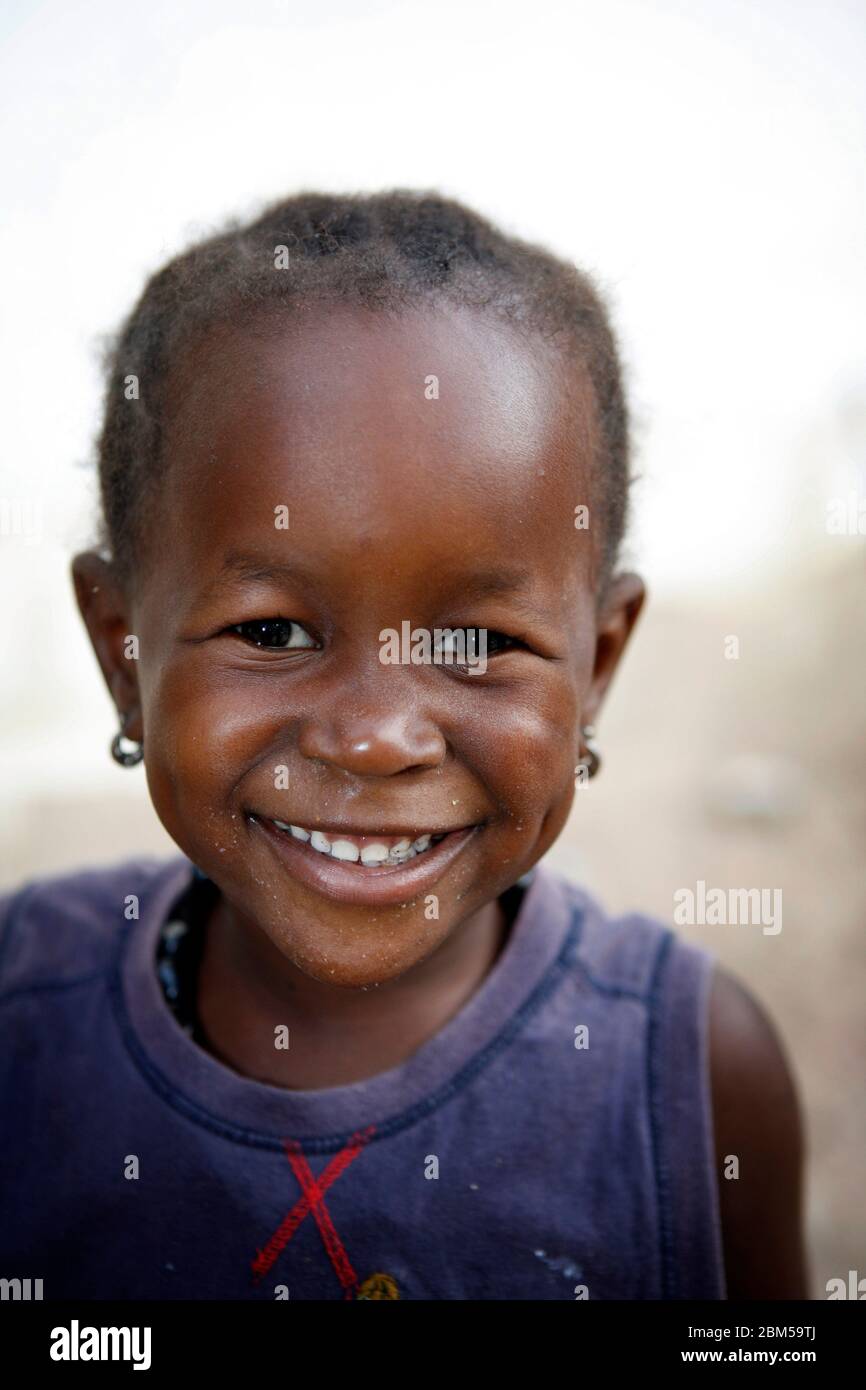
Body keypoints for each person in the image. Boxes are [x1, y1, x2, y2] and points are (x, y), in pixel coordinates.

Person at [0, 191, 807, 1299]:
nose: (375, 737)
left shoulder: (693, 1077)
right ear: (120, 654)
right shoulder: (22, 1015)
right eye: (271, 631)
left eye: (478, 640)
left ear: (598, 666)